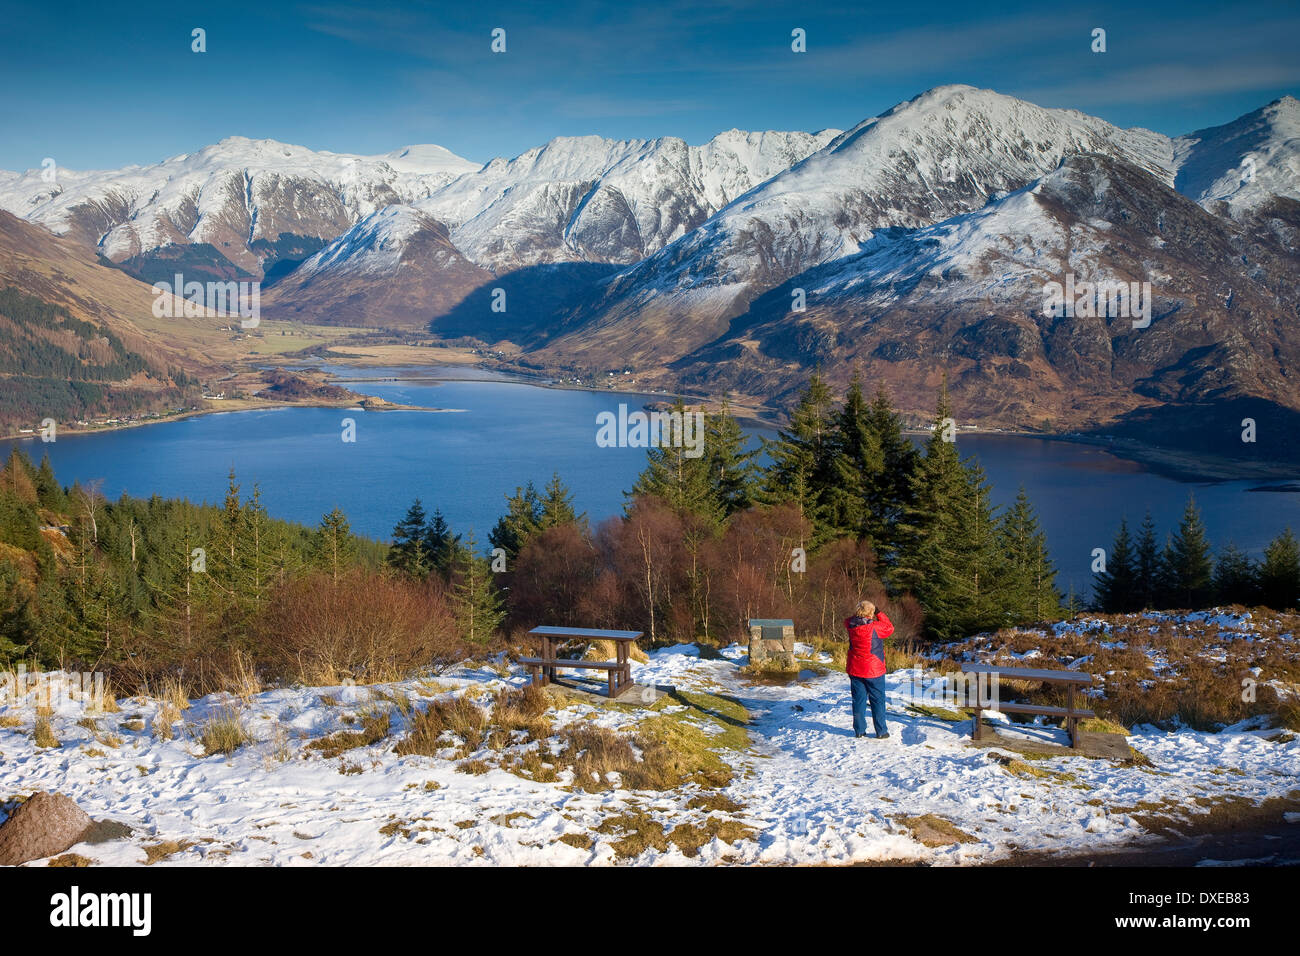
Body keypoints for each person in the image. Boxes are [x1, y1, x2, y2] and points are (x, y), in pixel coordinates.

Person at [844, 599, 894, 739]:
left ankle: (859, 731)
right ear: (871, 613)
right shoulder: (875, 627)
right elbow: (889, 628)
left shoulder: (850, 624)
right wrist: (880, 613)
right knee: (877, 701)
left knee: (858, 700)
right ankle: (881, 731)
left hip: (855, 668)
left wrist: (860, 612)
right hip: (874, 670)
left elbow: (848, 619)